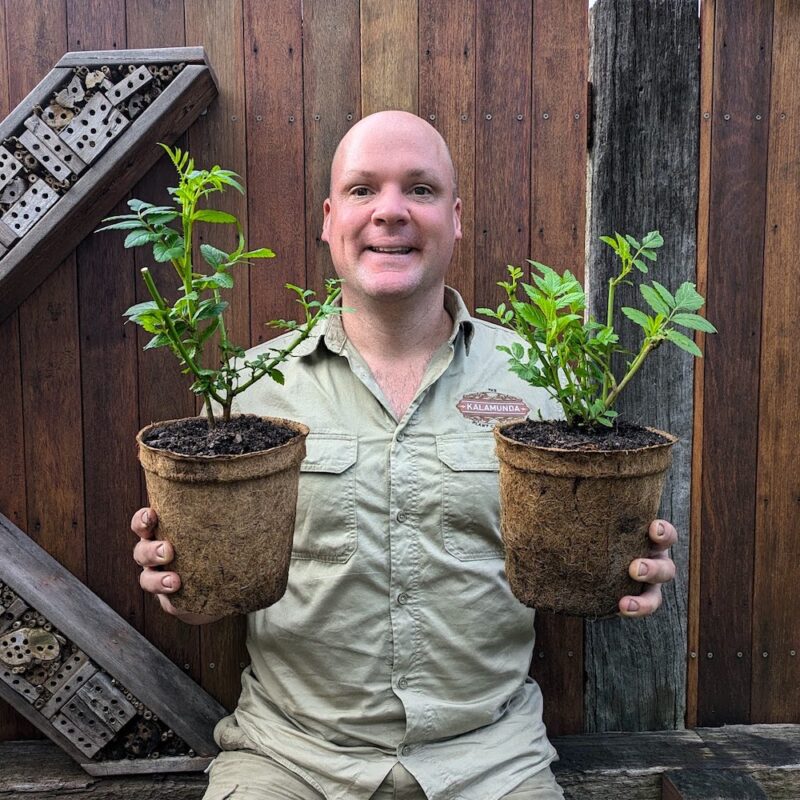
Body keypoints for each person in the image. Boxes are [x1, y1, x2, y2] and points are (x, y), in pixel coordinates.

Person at [131, 110, 678, 800]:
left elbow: (595, 549)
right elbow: (210, 582)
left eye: (418, 189)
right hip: (290, 759)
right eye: (363, 190)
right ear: (329, 219)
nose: (390, 211)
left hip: (490, 762)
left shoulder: (539, 382)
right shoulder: (247, 387)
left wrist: (627, 567)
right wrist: (180, 583)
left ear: (454, 218)